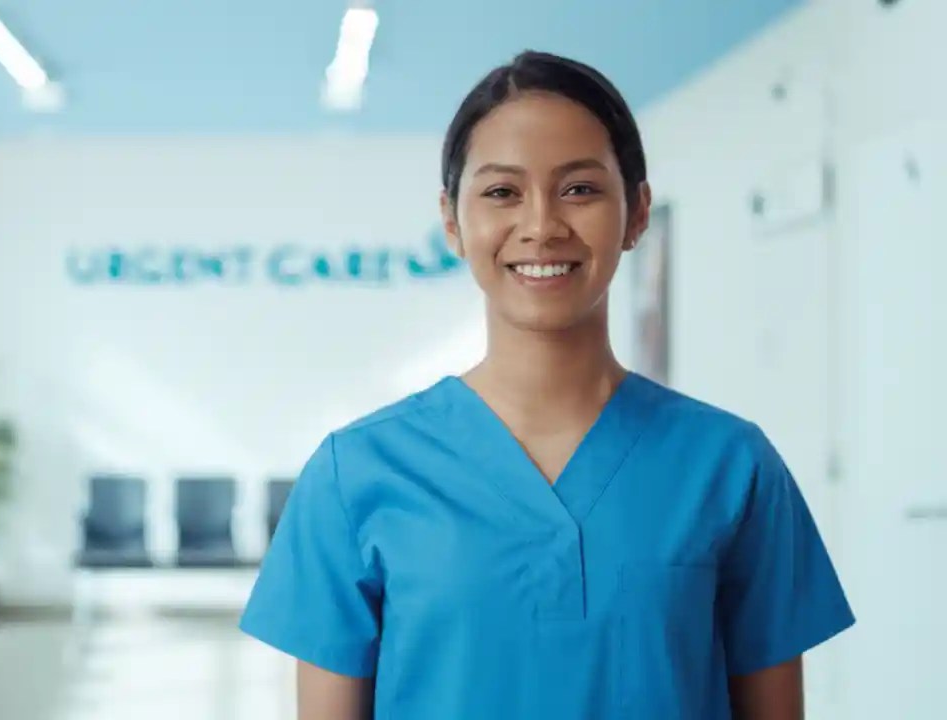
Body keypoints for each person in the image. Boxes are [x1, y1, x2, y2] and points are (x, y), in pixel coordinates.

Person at [238, 50, 854, 719]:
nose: (541, 226)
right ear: (452, 221)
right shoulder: (354, 475)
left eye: (580, 189)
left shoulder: (733, 467)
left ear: (638, 212)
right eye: (503, 192)